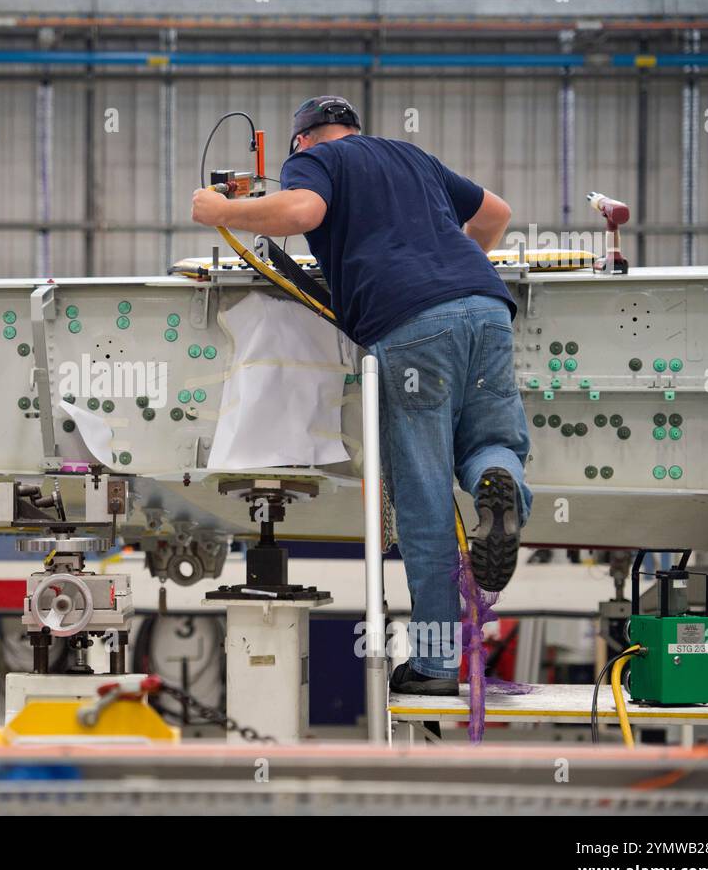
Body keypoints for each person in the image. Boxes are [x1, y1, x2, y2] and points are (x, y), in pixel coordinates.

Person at [190, 95, 531, 696]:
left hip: (411, 327)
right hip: (487, 305)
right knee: (493, 442)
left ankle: (436, 664)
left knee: (423, 495)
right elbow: (496, 214)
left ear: (301, 142)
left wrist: (224, 208)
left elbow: (301, 212)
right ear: (353, 129)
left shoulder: (318, 162)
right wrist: (449, 277)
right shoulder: (410, 155)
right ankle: (494, 492)